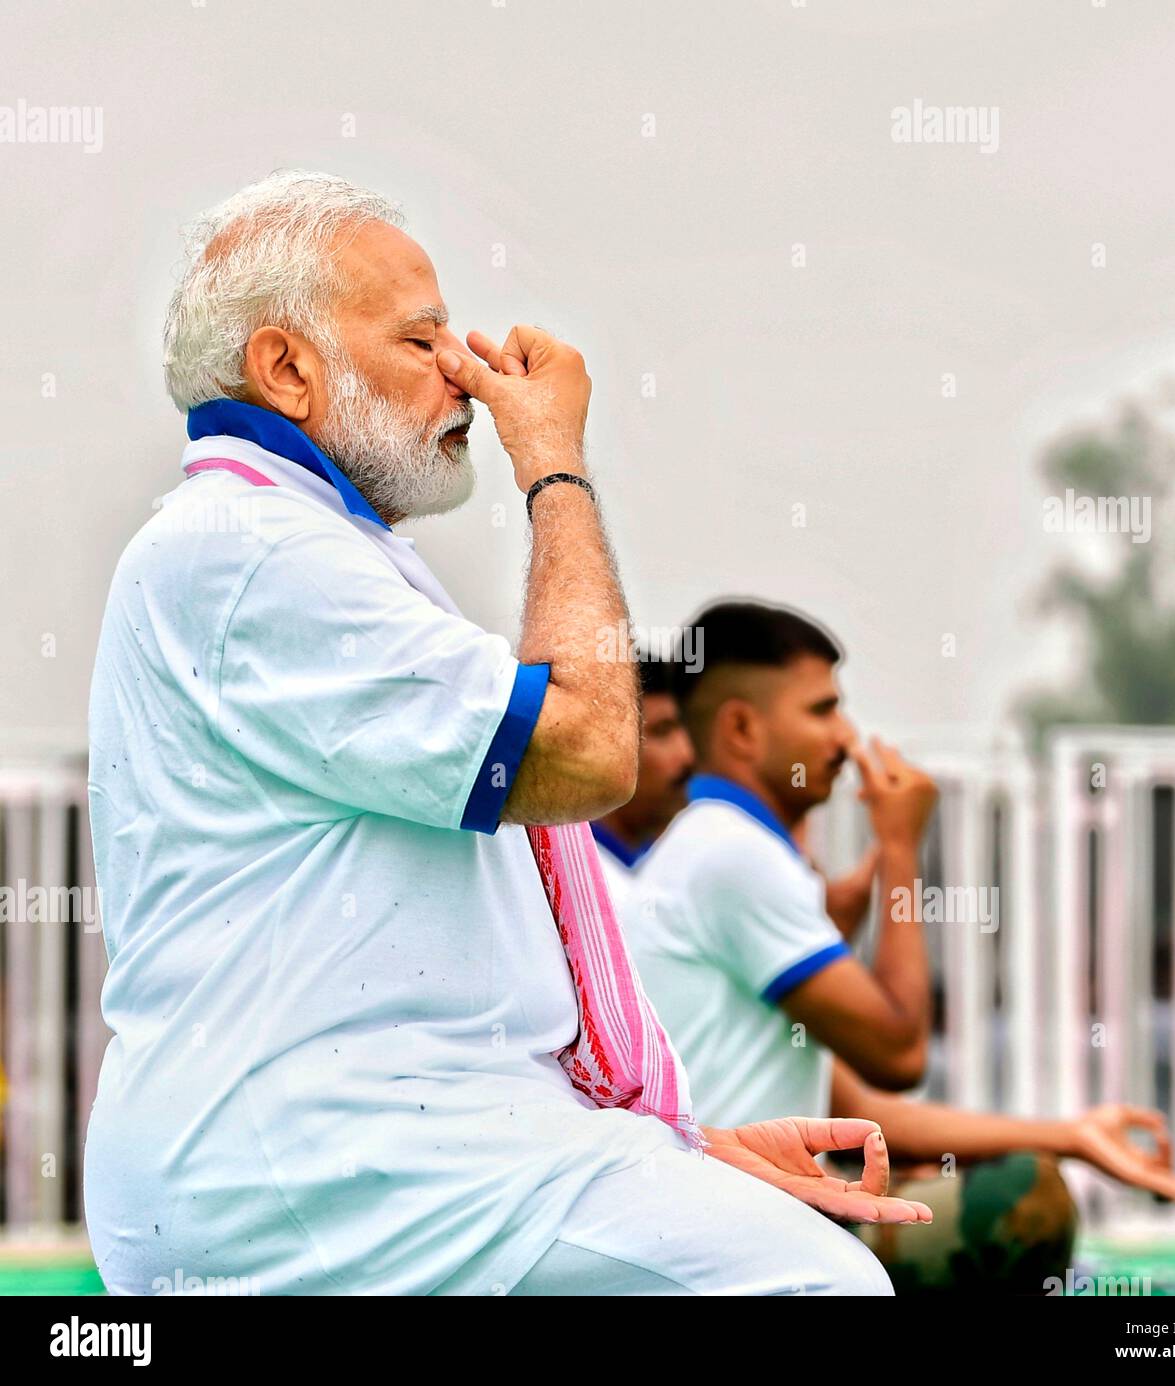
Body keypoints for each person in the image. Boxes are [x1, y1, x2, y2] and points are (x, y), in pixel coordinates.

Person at [83, 172, 931, 1298]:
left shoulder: (307, 548)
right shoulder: (249, 547)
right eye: (423, 336)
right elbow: (584, 751)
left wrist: (672, 1153)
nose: (466, 372)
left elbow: (452, 980)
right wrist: (556, 466)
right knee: (821, 1288)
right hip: (326, 1172)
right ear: (287, 369)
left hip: (393, 1163)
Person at [626, 599, 1175, 1292]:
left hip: (727, 1219)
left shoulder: (719, 845)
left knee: (1017, 1172)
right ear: (741, 728)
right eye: (822, 710)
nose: (847, 738)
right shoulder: (730, 852)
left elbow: (874, 1112)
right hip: (721, 1240)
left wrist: (1071, 1134)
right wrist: (902, 847)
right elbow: (902, 1052)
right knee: (1021, 1201)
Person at [590, 657, 695, 919]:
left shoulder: (675, 868)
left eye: (686, 731)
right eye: (662, 732)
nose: (687, 755)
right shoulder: (559, 882)